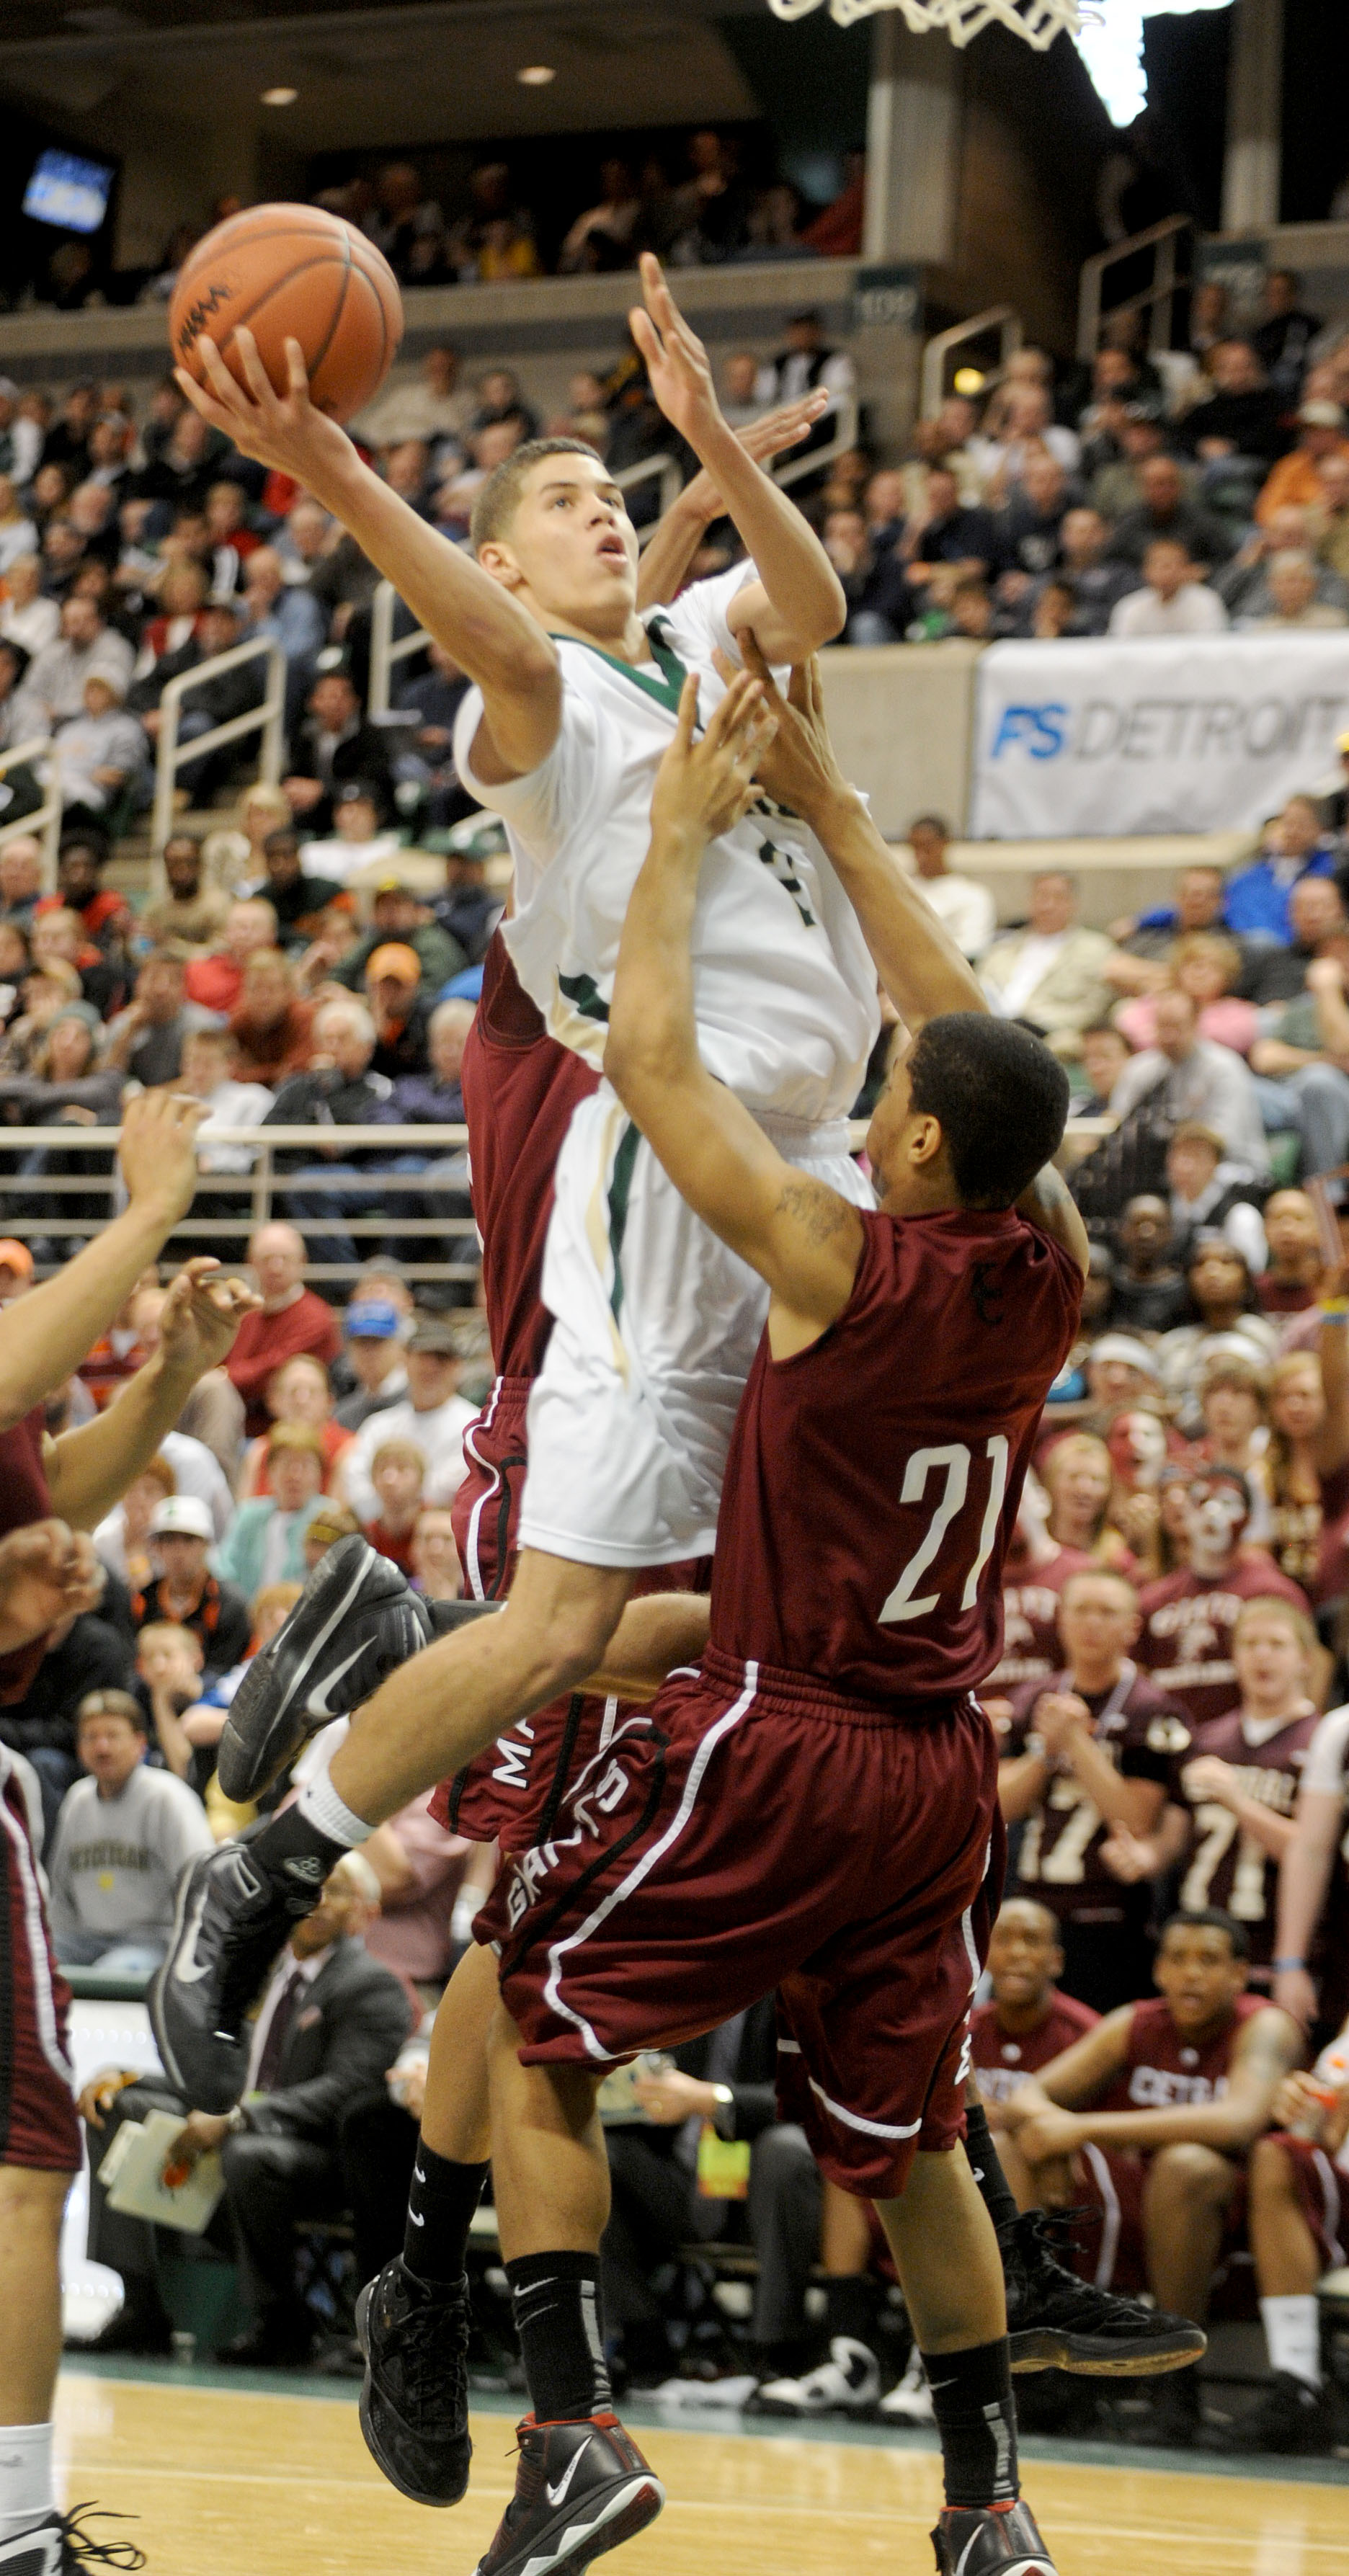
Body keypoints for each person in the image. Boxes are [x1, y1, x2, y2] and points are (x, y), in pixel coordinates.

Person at [155, 661, 1198, 2576]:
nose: (871, 1089)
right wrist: (852, 820)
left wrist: (691, 836)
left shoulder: (838, 1264)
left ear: (903, 1153)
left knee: (544, 2018)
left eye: (887, 1096)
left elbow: (649, 1059)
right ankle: (989, 2503)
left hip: (779, 1727)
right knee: (918, 2138)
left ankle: (569, 2421)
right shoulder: (1048, 1276)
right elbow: (971, 1045)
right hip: (934, 1754)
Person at [79, 1853, 410, 2366]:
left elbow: (347, 2088)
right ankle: (140, 2304)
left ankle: (281, 2323)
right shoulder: (265, 1974)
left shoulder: (371, 1982)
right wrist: (132, 2076)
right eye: (310, 1887)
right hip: (249, 2127)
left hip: (320, 2153)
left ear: (363, 1911)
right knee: (120, 2106)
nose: (318, 1899)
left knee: (249, 2153)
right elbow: (232, 2080)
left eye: (336, 1889)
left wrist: (238, 2119)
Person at [998, 1910, 1302, 2444]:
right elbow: (1029, 2096)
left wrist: (1079, 2128)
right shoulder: (1136, 2020)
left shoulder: (1265, 2023)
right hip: (1134, 2209)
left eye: (1208, 1961)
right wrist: (1051, 2134)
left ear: (1239, 1974)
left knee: (1185, 2165)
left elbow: (1239, 2119)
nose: (1191, 1974)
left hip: (1232, 2215)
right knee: (1017, 2148)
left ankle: (1175, 2384)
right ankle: (1031, 2360)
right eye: (1179, 1959)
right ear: (1159, 1970)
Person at [999, 1569, 1192, 2013]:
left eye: (1107, 1612)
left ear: (1132, 1628)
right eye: (1081, 1610)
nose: (1092, 1623)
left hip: (1109, 1914)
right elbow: (1002, 1805)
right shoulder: (1033, 1698)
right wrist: (1045, 1753)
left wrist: (1076, 1743)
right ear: (1061, 1620)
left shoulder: (1154, 1709)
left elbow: (1137, 1820)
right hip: (1032, 1902)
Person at [1165, 1597, 1324, 1996]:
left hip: (1273, 1950)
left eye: (1276, 1644)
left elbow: (1312, 1854)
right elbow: (1174, 1839)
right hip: (1198, 1946)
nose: (1262, 1656)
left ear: (1305, 1659)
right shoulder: (1207, 1739)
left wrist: (1240, 1803)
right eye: (1250, 1644)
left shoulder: (1322, 1741)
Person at [1232, 2038, 1349, 2454]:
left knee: (1277, 2156)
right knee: (1276, 2152)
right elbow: (1325, 2132)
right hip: (1334, 2183)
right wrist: (1297, 2100)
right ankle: (1298, 2380)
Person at [45, 1688, 213, 1971]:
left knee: (113, 1972)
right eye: (91, 1737)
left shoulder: (168, 1797)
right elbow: (61, 1894)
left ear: (140, 1743)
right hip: (84, 1940)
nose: (102, 1748)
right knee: (30, 1965)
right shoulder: (78, 1800)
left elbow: (202, 1885)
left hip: (154, 1942)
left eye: (113, 1736)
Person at [1137, 1469, 1309, 1729]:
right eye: (1202, 1501)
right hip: (1170, 1748)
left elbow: (1306, 1673)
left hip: (1247, 1751)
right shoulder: (1154, 1599)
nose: (1212, 1513)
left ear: (1249, 1520)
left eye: (1227, 1503)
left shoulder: (1274, 1592)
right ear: (1187, 1514)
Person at [1108, 989, 1269, 1175]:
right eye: (1163, 1027)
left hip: (1232, 1170)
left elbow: (1224, 1140)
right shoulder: (1140, 1069)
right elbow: (1118, 1127)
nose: (1169, 1036)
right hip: (1161, 1173)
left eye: (1176, 1027)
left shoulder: (1224, 1068)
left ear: (1195, 1024)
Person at [970, 1900, 1100, 2121]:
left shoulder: (1090, 2034)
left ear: (1056, 1961)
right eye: (1002, 1939)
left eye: (1031, 1941)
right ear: (986, 1955)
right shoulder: (966, 2030)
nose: (1016, 1953)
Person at [337, 1318, 474, 1523]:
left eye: (441, 1359)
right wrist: (386, 1517)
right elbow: (355, 1479)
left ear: (457, 1367)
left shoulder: (475, 1427)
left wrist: (398, 1509)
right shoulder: (380, 1425)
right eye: (422, 1357)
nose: (430, 1367)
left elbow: (448, 1490)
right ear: (405, 1360)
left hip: (442, 1539)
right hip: (380, 1534)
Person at [224, 1221, 341, 1438]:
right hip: (239, 1424)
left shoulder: (316, 1317)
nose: (275, 1267)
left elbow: (270, 1371)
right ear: (251, 1263)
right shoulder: (245, 1314)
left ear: (302, 1262)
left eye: (285, 1258)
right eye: (266, 1259)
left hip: (292, 1434)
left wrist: (220, 1377)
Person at [979, 874, 1116, 1053]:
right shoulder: (1001, 949)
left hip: (1048, 1032)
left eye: (1058, 898)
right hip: (992, 1026)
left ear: (1073, 904)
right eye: (1041, 897)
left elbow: (1093, 1008)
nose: (1048, 906)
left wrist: (1040, 1021)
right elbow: (977, 990)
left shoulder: (1097, 950)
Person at [130, 1494, 251, 1678]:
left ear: (206, 1545)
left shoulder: (229, 1605)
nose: (178, 1551)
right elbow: (131, 1663)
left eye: (188, 1540)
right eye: (169, 1540)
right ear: (156, 1548)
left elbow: (227, 1672)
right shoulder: (143, 1601)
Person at [217, 1425, 327, 1592]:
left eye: (305, 1465)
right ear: (269, 1471)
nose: (295, 1476)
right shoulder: (249, 1514)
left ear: (319, 1474)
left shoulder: (328, 1518)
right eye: (287, 1464)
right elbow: (225, 1569)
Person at [905, 814, 996, 963]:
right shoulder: (901, 890)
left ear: (945, 844)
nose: (921, 857)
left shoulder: (973, 895)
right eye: (915, 848)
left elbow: (974, 946)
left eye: (928, 848)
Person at [1107, 538, 1229, 638]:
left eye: (1173, 566)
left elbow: (1212, 647)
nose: (1167, 573)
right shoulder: (1130, 606)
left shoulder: (1206, 601)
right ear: (1146, 571)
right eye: (1159, 566)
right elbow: (1119, 649)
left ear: (1187, 569)